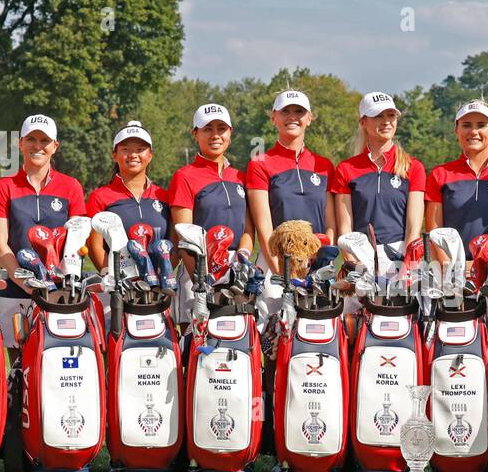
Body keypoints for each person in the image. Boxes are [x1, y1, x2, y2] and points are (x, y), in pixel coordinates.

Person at [0, 114, 87, 348]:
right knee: (18, 366)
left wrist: (53, 287)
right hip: (16, 287)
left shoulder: (71, 186)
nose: (38, 146)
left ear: (55, 146)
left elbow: (76, 239)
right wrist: (28, 285)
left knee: (57, 363)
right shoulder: (5, 187)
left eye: (45, 140)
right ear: (20, 143)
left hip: (61, 293)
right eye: (31, 139)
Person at [247, 89, 333, 318]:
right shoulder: (260, 163)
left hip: (315, 262)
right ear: (274, 117)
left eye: (299, 111)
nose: (292, 116)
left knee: (316, 334)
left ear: (309, 118)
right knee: (274, 335)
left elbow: (330, 222)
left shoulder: (324, 165)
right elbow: (264, 225)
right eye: (285, 111)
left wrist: (322, 261)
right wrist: (281, 270)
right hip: (275, 262)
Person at [169, 104, 253, 324]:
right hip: (198, 268)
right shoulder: (184, 176)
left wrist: (243, 259)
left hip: (237, 270)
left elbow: (248, 229)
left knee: (237, 341)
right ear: (195, 133)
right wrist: (202, 280)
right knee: (195, 343)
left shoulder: (239, 176)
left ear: (230, 133)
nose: (215, 135)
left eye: (221, 128)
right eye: (207, 129)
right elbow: (183, 235)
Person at [332, 91, 425, 261]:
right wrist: (354, 265)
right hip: (360, 254)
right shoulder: (346, 169)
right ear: (363, 122)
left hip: (400, 254)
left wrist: (408, 264)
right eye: (378, 116)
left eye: (391, 115)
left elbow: (413, 228)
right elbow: (345, 228)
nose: (386, 121)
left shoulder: (414, 167)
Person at [424, 99, 488, 254]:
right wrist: (450, 266)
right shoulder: (439, 174)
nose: (473, 131)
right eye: (466, 125)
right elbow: (435, 232)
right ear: (456, 130)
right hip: (451, 269)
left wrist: (483, 263)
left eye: (481, 125)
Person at [85, 121, 170, 272]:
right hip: (119, 288)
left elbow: (173, 242)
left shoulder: (164, 196)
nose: (133, 155)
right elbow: (94, 246)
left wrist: (164, 275)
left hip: (160, 288)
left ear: (150, 155)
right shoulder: (99, 197)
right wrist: (112, 278)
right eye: (125, 149)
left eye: (140, 149)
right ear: (114, 155)